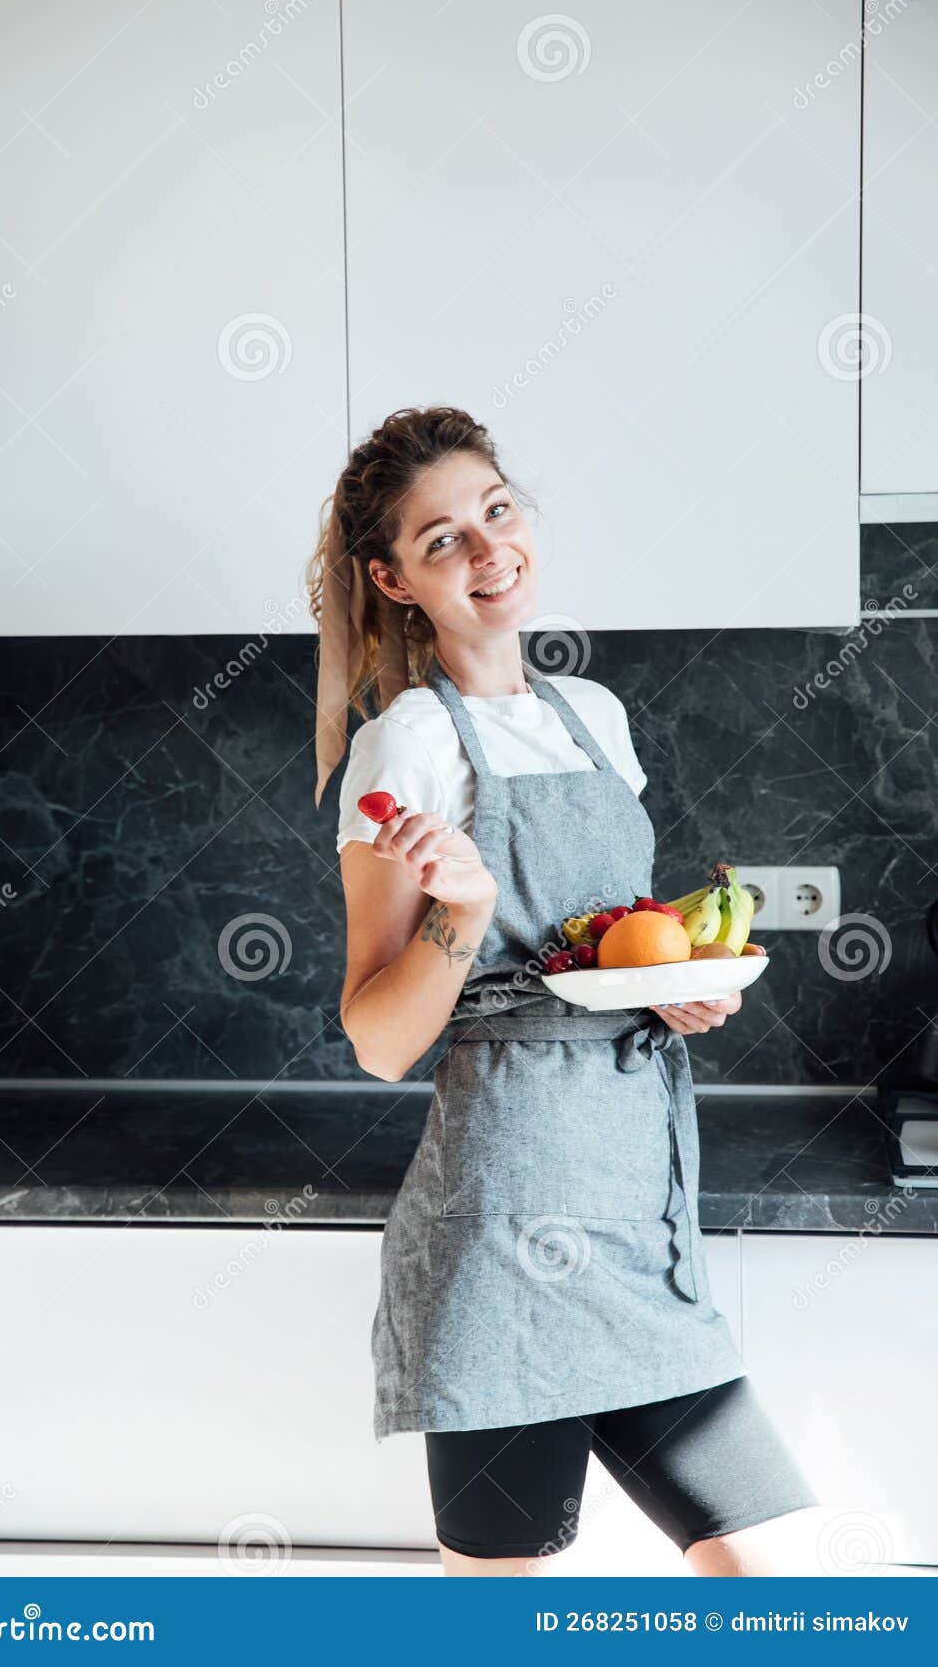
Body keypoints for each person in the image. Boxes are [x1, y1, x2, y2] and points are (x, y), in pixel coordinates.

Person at [306, 405, 823, 1577]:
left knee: (776, 1568)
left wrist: (677, 993)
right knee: (504, 1608)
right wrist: (463, 912)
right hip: (502, 1223)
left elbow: (603, 956)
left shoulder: (596, 720)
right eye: (442, 540)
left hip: (633, 1202)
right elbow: (379, 1041)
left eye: (496, 511)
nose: (488, 551)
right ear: (393, 578)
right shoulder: (405, 749)